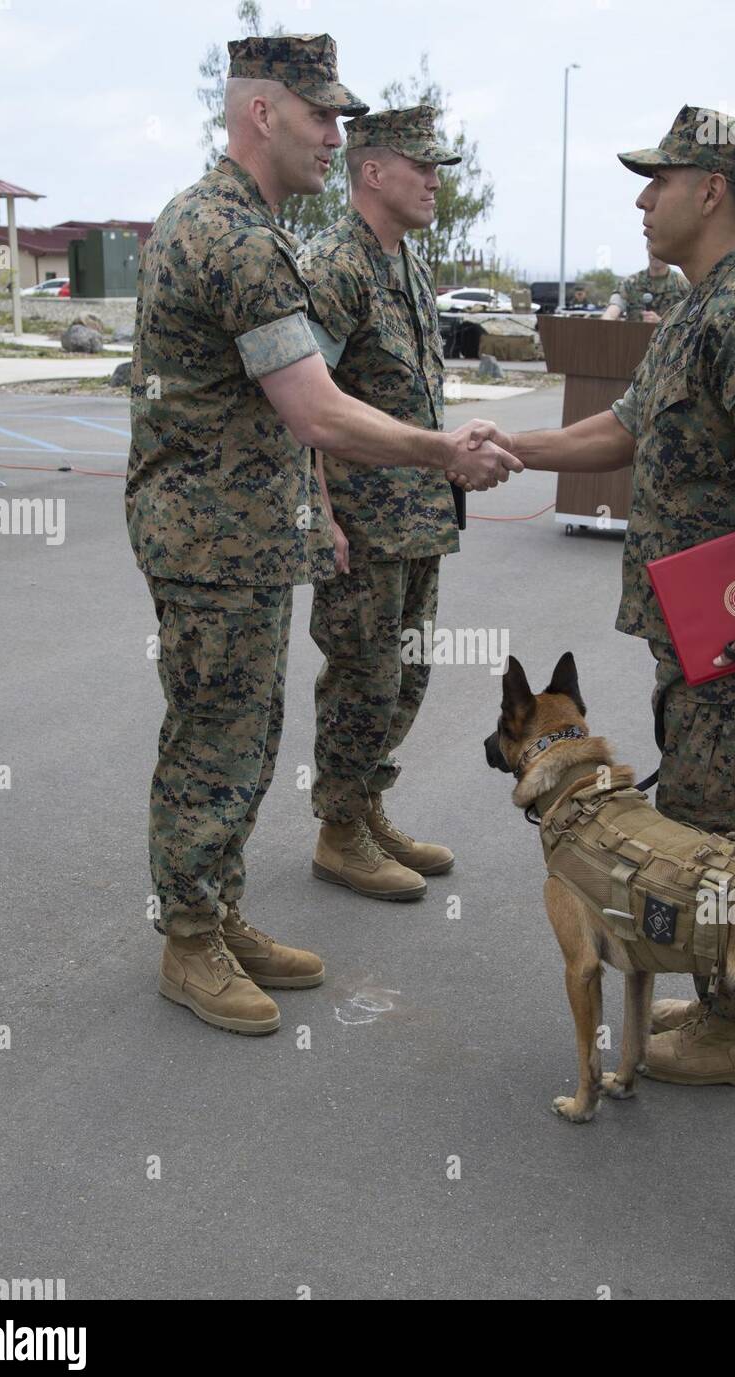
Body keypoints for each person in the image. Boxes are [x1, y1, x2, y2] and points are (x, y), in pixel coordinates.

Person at [126, 33, 519, 1036]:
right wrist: (440, 451)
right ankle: (188, 937)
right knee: (217, 741)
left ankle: (216, 914)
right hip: (213, 539)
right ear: (264, 112)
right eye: (321, 116)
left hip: (232, 535)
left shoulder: (222, 222)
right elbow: (319, 410)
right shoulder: (237, 238)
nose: (333, 136)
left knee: (246, 736)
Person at [456, 105, 735, 1086]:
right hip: (699, 623)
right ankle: (725, 996)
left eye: (657, 180)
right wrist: (512, 447)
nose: (641, 198)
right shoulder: (695, 311)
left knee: (729, 827)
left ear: (708, 191)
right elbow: (621, 430)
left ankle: (733, 1020)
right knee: (704, 817)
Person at [298, 105, 462, 901]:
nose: (436, 180)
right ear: (372, 171)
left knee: (405, 675)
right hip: (361, 525)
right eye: (422, 166)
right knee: (362, 677)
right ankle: (338, 832)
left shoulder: (408, 264)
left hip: (417, 517)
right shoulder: (335, 264)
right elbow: (304, 405)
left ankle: (366, 807)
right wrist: (321, 513)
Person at [602, 247, 689, 322]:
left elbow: (692, 320)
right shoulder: (630, 283)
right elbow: (612, 310)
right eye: (652, 246)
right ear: (647, 248)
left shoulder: (684, 285)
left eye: (661, 248)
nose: (656, 253)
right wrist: (607, 321)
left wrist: (660, 322)